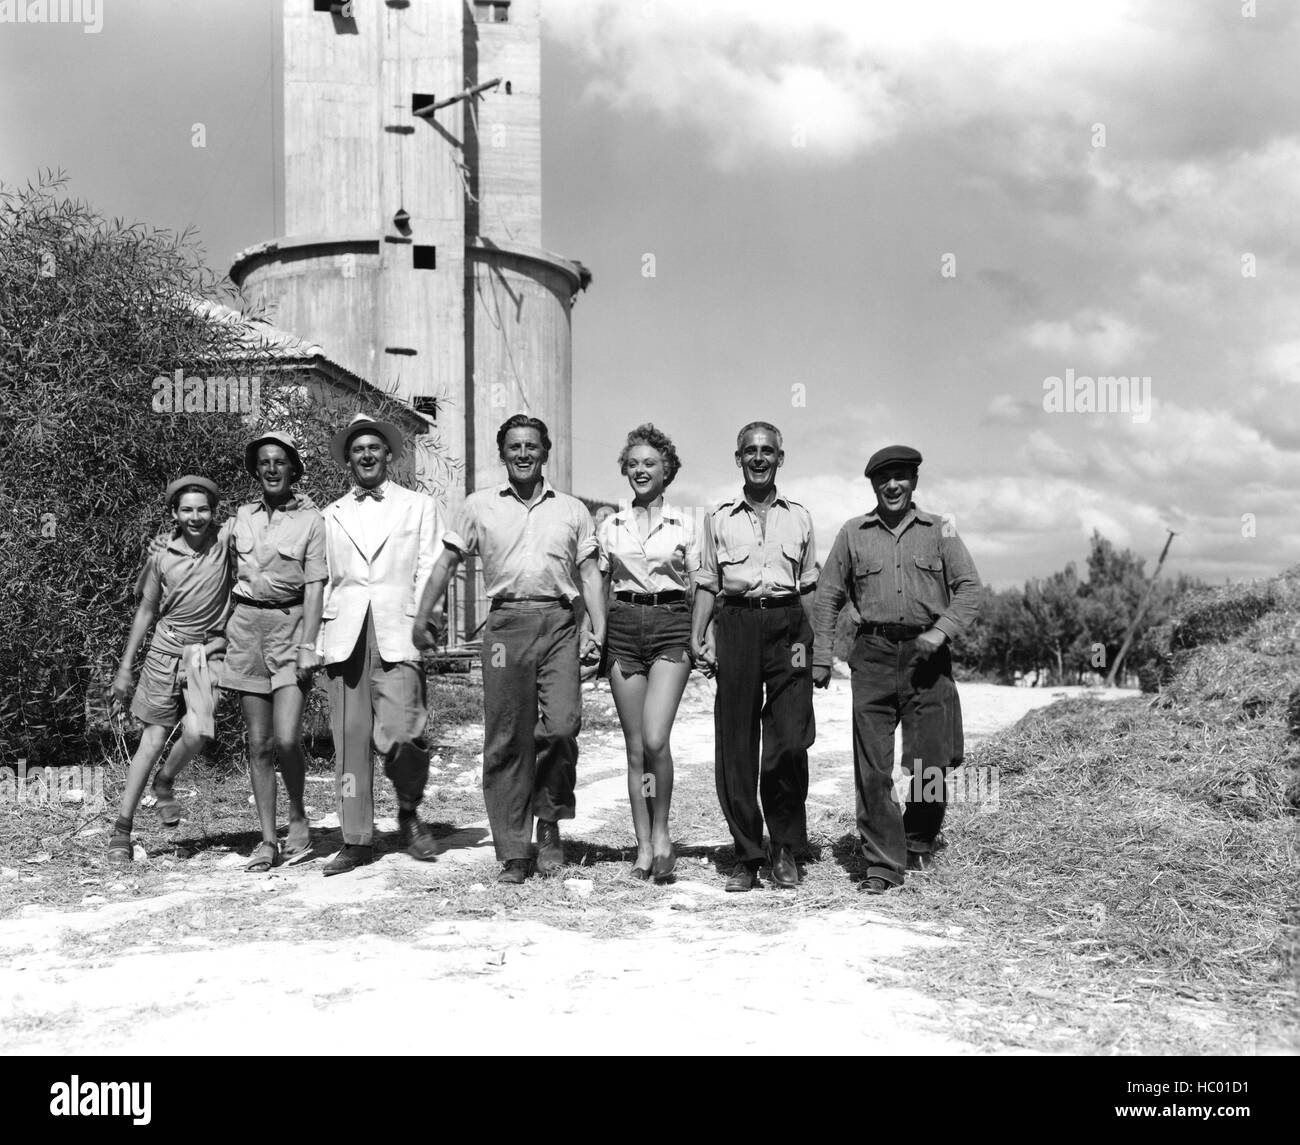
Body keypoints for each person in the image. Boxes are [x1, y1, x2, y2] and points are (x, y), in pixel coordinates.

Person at [412, 414, 605, 885]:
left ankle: (550, 820)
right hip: (504, 626)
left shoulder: (573, 510)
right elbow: (446, 562)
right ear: (503, 454)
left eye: (532, 447)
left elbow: (592, 574)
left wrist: (598, 630)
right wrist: (424, 614)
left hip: (559, 621)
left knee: (562, 726)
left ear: (545, 452)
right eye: (514, 447)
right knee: (506, 736)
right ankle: (515, 848)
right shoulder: (478, 506)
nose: (523, 454)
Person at [811, 445, 981, 894]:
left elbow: (969, 589)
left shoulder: (942, 530)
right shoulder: (852, 533)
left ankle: (917, 839)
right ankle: (883, 863)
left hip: (929, 658)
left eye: (902, 476)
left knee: (929, 764)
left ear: (914, 481)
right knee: (874, 767)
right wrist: (821, 655)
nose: (893, 485)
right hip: (873, 656)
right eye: (884, 478)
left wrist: (941, 632)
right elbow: (828, 595)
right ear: (872, 484)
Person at [690, 422, 818, 893]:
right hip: (737, 625)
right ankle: (748, 852)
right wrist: (698, 634)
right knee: (736, 744)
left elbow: (809, 588)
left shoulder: (800, 517)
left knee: (788, 739)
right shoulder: (719, 518)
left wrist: (818, 644)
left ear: (781, 458)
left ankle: (785, 847)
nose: (759, 458)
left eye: (767, 451)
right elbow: (706, 581)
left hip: (789, 627)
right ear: (738, 458)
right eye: (750, 451)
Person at [318, 413, 443, 876]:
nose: (367, 455)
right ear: (348, 459)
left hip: (399, 628)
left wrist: (428, 619)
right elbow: (323, 579)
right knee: (350, 743)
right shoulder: (330, 514)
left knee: (406, 734)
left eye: (374, 448)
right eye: (357, 449)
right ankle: (356, 839)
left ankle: (408, 812)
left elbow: (431, 568)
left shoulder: (419, 506)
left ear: (388, 455)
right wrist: (315, 642)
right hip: (345, 632)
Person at [108, 476, 231, 865]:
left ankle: (165, 780)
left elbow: (263, 522)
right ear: (175, 514)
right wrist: (126, 666)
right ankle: (122, 830)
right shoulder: (162, 554)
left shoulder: (227, 543)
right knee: (152, 740)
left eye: (203, 509)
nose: (196, 517)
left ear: (214, 511)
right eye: (187, 510)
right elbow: (146, 609)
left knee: (198, 730)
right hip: (164, 652)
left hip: (205, 653)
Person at [596, 424, 699, 882]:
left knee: (656, 738)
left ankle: (663, 835)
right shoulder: (609, 525)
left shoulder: (687, 524)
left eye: (649, 463)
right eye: (633, 463)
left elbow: (702, 586)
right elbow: (597, 583)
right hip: (622, 628)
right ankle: (643, 847)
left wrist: (702, 635)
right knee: (635, 746)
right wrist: (594, 632)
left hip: (670, 626)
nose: (640, 470)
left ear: (667, 470)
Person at [221, 431, 326, 872]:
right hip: (245, 629)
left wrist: (308, 643)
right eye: (263, 462)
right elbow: (211, 562)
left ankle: (298, 813)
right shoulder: (239, 518)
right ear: (255, 469)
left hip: (290, 627)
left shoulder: (311, 520)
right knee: (259, 743)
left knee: (286, 738)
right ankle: (268, 839)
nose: (271, 468)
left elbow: (316, 585)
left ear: (293, 468)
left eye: (280, 461)